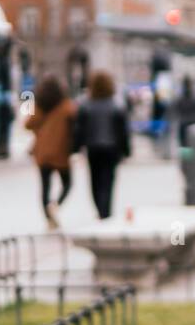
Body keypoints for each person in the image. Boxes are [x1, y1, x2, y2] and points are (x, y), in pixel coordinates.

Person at [74, 70, 131, 220]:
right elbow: (123, 131)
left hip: (93, 148)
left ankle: (101, 211)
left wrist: (76, 148)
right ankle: (106, 212)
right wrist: (126, 151)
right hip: (112, 148)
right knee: (108, 182)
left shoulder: (86, 104)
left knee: (95, 181)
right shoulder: (116, 104)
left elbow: (79, 129)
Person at [25, 74, 76, 230]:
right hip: (60, 151)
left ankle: (49, 219)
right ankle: (55, 205)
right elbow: (75, 121)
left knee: (45, 187)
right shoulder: (66, 105)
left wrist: (40, 129)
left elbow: (27, 124)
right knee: (67, 183)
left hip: (42, 151)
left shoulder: (39, 106)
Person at [172, 76, 195, 149]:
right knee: (190, 145)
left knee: (184, 145)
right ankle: (188, 159)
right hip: (191, 123)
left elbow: (176, 108)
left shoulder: (182, 97)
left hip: (184, 122)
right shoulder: (193, 97)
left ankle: (185, 159)